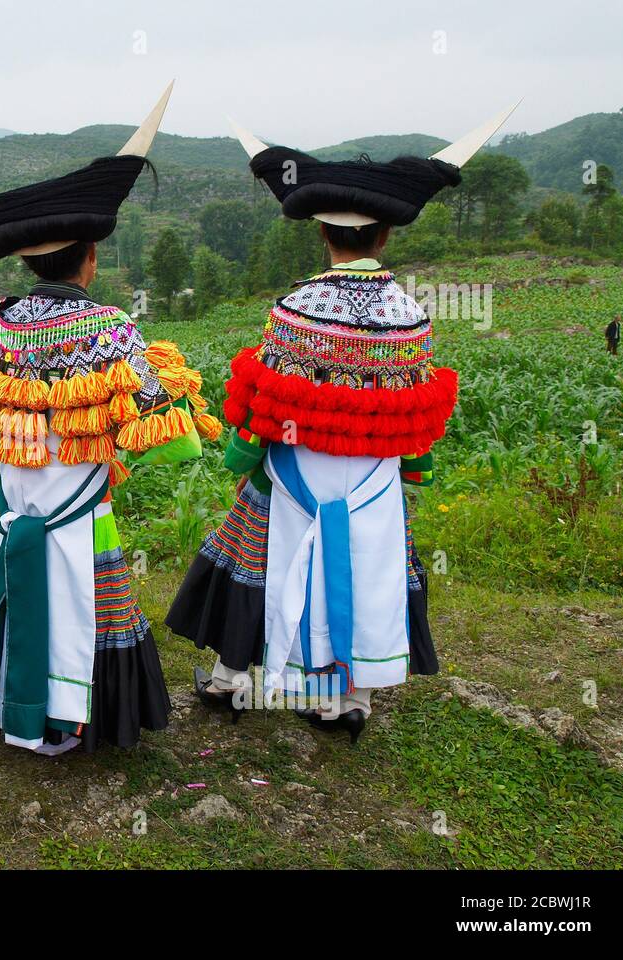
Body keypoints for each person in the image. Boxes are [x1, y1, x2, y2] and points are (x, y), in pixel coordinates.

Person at [166, 105, 517, 742]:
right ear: (384, 237)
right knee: (364, 568)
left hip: (294, 475)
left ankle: (230, 679)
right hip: (372, 484)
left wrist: (246, 455)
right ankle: (345, 696)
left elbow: (263, 405)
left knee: (257, 560)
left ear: (323, 235)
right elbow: (415, 415)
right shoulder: (410, 316)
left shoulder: (295, 309)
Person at [0, 85, 222, 755]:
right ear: (91, 259)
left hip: (20, 507)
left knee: (23, 598)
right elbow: (170, 435)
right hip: (80, 509)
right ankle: (82, 723)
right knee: (90, 607)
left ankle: (17, 707)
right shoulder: (111, 329)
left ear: (28, 263)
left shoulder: (0, 328)